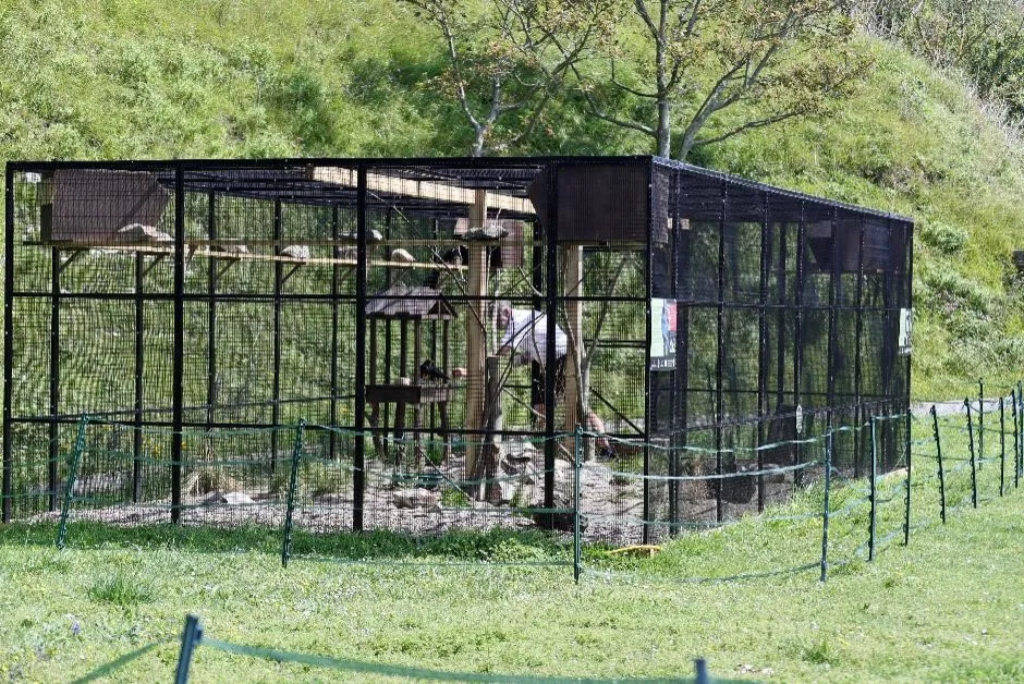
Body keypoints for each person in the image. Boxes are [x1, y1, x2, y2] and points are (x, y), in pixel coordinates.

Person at [493, 302, 613, 455]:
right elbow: (533, 351)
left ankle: (604, 446)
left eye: (496, 317)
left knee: (572, 406)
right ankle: (540, 446)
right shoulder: (526, 317)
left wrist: (489, 359)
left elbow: (504, 350)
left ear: (506, 311)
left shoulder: (516, 321)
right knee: (546, 405)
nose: (495, 323)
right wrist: (518, 361)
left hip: (561, 358)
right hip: (555, 361)